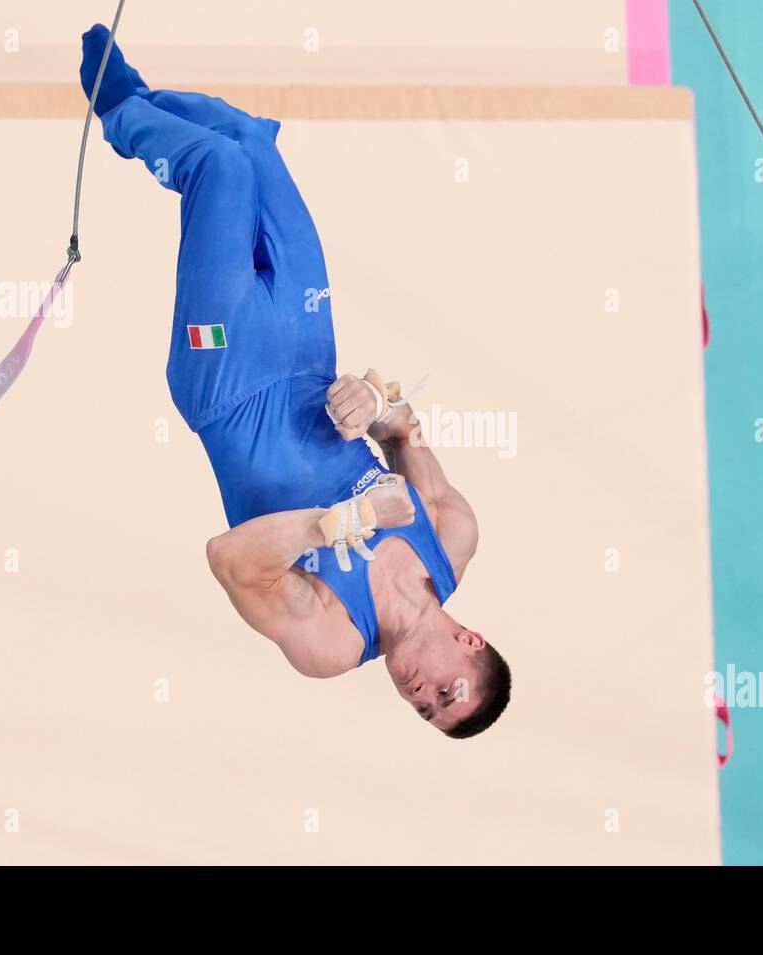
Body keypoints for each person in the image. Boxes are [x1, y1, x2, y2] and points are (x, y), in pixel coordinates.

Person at [80, 25, 511, 737]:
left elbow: (229, 559)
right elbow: (401, 427)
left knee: (218, 169)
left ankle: (119, 110)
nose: (421, 694)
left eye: (426, 711)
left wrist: (340, 523)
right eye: (447, 691)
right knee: (251, 143)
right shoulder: (452, 535)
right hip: (307, 349)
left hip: (226, 387)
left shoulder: (334, 642)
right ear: (471, 642)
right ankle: (142, 99)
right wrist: (376, 402)